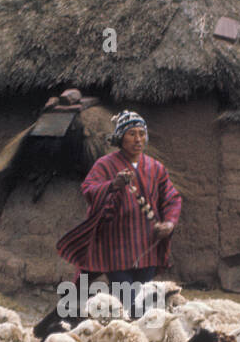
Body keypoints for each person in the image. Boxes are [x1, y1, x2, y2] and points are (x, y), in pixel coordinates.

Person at [68, 110, 181, 318]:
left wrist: (169, 223)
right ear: (120, 137)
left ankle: (131, 336)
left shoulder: (156, 168)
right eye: (131, 134)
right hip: (116, 248)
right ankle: (127, 337)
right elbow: (88, 190)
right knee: (128, 301)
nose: (138, 139)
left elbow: (171, 198)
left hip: (147, 249)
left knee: (143, 300)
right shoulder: (105, 165)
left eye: (141, 133)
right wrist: (113, 185)